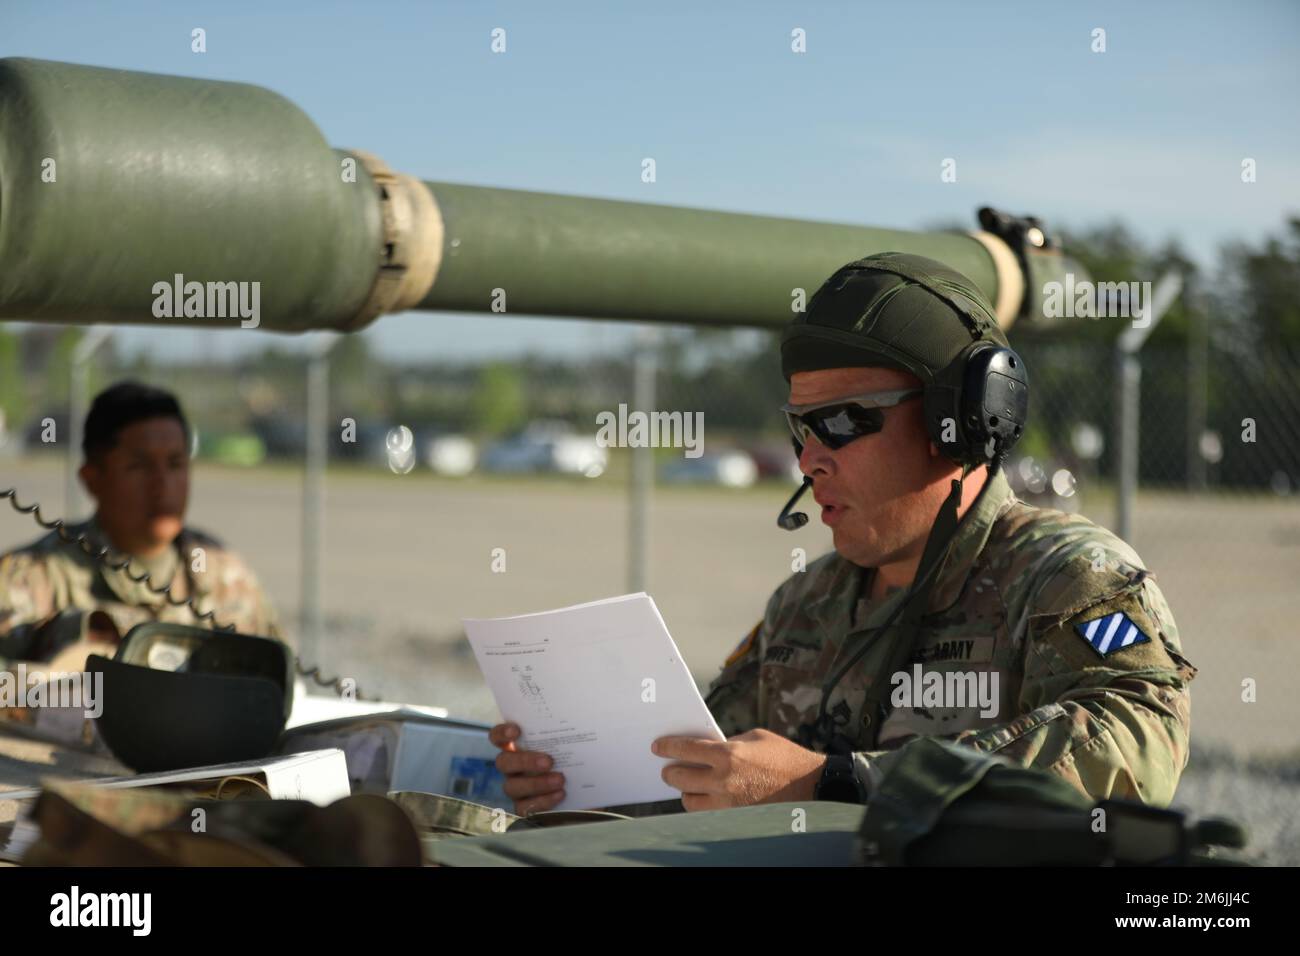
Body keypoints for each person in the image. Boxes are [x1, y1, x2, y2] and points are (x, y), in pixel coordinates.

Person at [491, 253, 1195, 815]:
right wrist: (578, 782)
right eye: (800, 427)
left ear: (961, 422)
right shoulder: (806, 603)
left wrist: (836, 783)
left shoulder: (1069, 577)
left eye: (840, 422)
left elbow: (1136, 745)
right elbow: (713, 762)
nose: (807, 459)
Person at [0, 382, 281, 672]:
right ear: (92, 478)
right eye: (139, 466)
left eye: (175, 464)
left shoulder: (228, 579)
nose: (162, 485)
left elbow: (277, 683)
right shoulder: (30, 578)